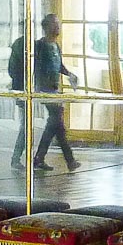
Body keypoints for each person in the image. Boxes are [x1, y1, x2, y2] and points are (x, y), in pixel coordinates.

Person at [33, 14, 81, 172]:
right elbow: (38, 69)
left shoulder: (56, 46)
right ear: (47, 27)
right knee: (57, 123)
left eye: (58, 24)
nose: (58, 27)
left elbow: (59, 65)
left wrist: (69, 75)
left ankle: (41, 158)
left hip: (54, 90)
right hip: (46, 91)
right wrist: (42, 89)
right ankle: (69, 160)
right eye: (55, 24)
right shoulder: (41, 46)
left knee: (55, 126)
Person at [8, 33, 27, 170]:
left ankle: (36, 156)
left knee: (26, 126)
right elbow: (13, 70)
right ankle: (16, 157)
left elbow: (11, 70)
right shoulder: (22, 45)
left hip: (22, 89)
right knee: (26, 127)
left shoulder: (20, 44)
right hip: (23, 90)